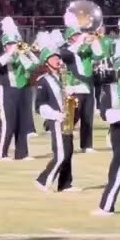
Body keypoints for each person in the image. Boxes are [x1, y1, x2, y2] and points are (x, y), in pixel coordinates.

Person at [35, 30, 77, 193]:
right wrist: (56, 115)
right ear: (46, 61)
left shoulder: (64, 77)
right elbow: (39, 106)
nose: (57, 60)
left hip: (67, 117)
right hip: (56, 119)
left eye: (58, 57)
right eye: (53, 57)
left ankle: (65, 184)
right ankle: (43, 180)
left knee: (69, 151)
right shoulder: (43, 81)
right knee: (61, 154)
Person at [0, 17, 40, 160]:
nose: (13, 46)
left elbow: (36, 64)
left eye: (15, 43)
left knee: (22, 122)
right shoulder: (1, 56)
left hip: (22, 91)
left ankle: (22, 153)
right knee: (9, 123)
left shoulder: (22, 57)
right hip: (7, 92)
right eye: (10, 44)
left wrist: (28, 51)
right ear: (5, 45)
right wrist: (11, 52)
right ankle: (1, 153)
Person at [62, 12, 106, 153]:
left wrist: (95, 39)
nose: (78, 37)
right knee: (71, 118)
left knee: (87, 118)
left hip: (88, 86)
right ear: (70, 38)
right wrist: (81, 39)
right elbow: (69, 54)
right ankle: (64, 143)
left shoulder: (86, 49)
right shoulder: (66, 50)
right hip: (74, 87)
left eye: (78, 34)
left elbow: (99, 55)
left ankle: (87, 145)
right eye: (75, 35)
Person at [94, 34, 120, 216]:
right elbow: (106, 114)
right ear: (119, 71)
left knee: (118, 168)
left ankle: (106, 206)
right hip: (118, 133)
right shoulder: (110, 89)